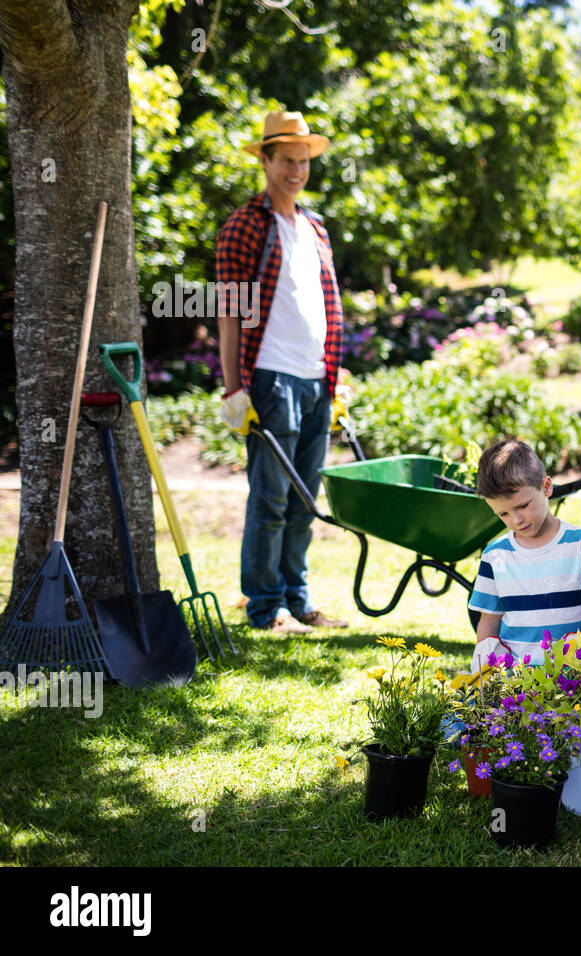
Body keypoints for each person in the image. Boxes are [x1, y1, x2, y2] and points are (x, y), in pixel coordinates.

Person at [216, 110, 349, 634]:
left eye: (303, 162)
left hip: (317, 379)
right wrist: (233, 387)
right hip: (269, 377)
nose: (296, 170)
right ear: (266, 161)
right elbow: (229, 311)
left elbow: (326, 305)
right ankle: (265, 606)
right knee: (270, 499)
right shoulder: (244, 226)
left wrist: (335, 379)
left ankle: (298, 600)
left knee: (303, 498)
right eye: (286, 161)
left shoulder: (314, 228)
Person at [467, 438, 581, 671]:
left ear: (546, 487)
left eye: (523, 506)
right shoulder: (494, 555)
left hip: (574, 679)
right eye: (503, 513)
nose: (516, 520)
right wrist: (484, 672)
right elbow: (489, 623)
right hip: (515, 684)